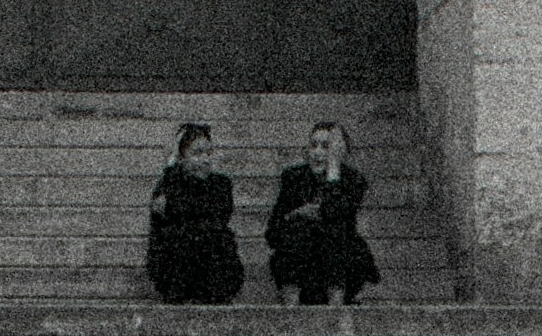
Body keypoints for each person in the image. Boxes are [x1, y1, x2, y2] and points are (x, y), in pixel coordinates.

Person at [267, 118, 381, 308]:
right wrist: (296, 216)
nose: (318, 152)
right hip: (302, 265)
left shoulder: (353, 180)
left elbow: (335, 214)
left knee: (334, 231)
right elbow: (272, 233)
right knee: (298, 227)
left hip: (340, 266)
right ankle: (290, 306)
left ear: (342, 152)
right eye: (313, 145)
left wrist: (333, 172)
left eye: (326, 147)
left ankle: (335, 306)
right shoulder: (293, 177)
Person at [144, 120, 244, 303]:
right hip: (178, 264)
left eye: (208, 153)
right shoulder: (169, 183)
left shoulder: (221, 184)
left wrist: (182, 208)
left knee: (214, 238)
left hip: (210, 262)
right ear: (181, 157)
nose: (205, 159)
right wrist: (171, 168)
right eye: (197, 154)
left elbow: (218, 214)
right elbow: (168, 221)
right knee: (178, 237)